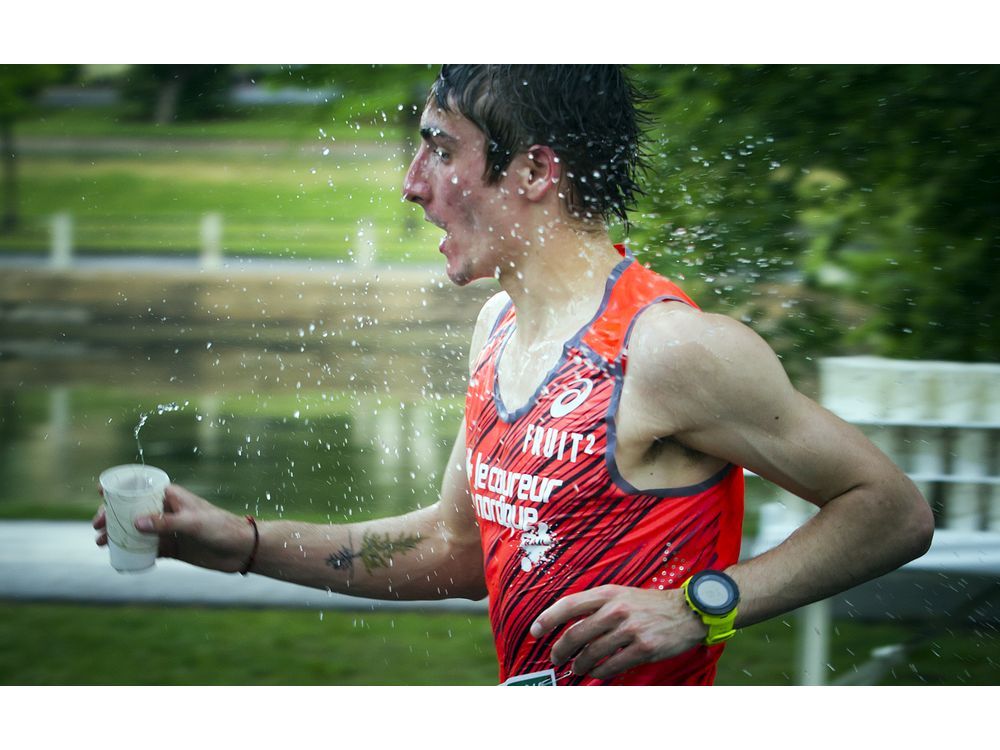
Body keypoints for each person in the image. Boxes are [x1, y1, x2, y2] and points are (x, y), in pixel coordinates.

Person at [93, 65, 934, 686]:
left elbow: (892, 511)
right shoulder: (497, 328)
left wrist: (698, 608)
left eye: (440, 150)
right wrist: (241, 543)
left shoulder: (668, 349)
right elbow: (453, 549)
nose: (411, 185)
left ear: (534, 172)